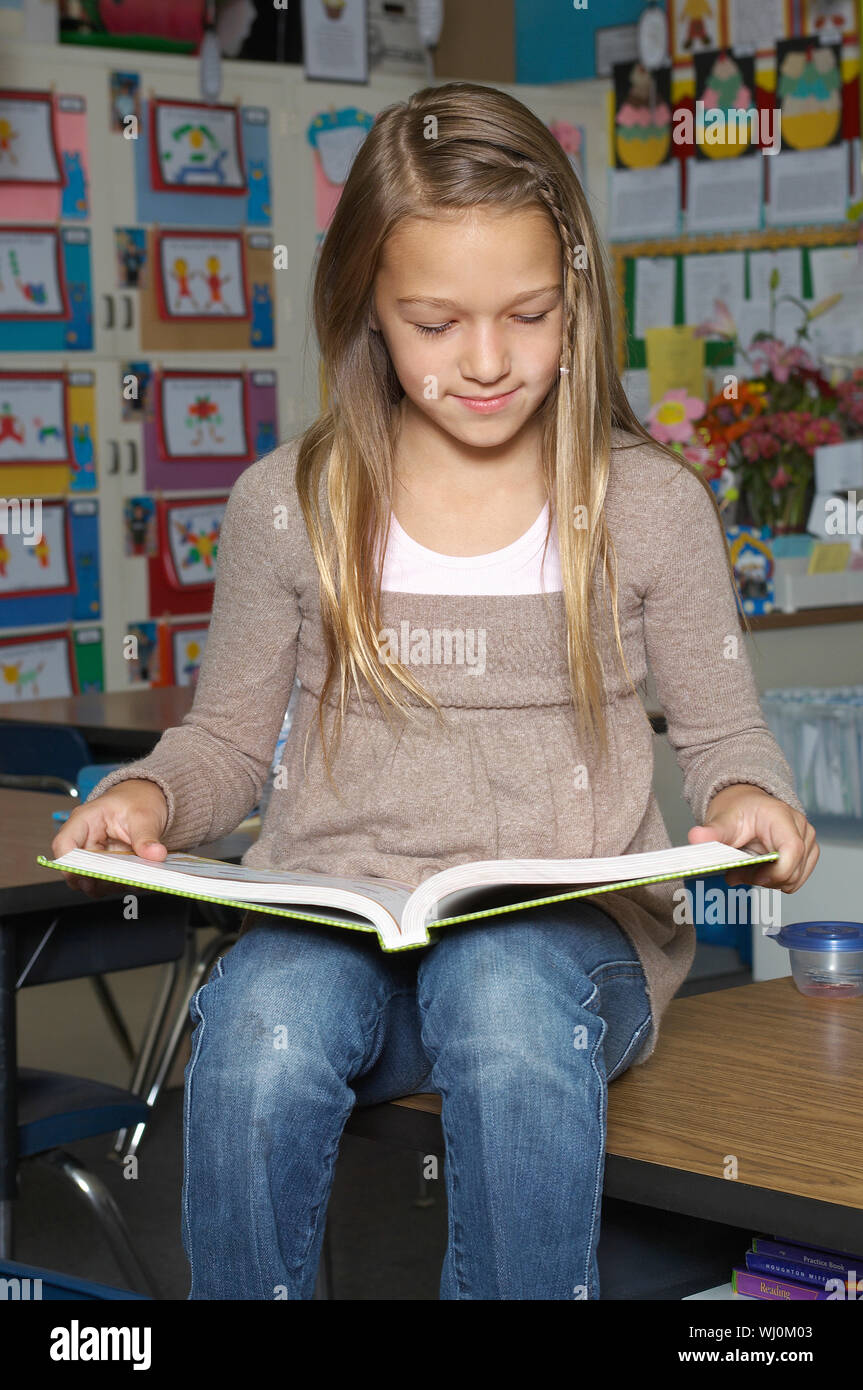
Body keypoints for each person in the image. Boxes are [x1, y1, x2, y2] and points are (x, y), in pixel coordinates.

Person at [52, 82, 818, 1300]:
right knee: (258, 1027)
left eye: (527, 314)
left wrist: (751, 800)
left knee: (501, 991)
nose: (485, 361)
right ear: (366, 311)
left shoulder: (650, 506)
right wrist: (149, 796)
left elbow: (728, 737)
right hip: (342, 931)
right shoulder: (286, 503)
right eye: (433, 322)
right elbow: (227, 744)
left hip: (567, 960)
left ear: (576, 298)